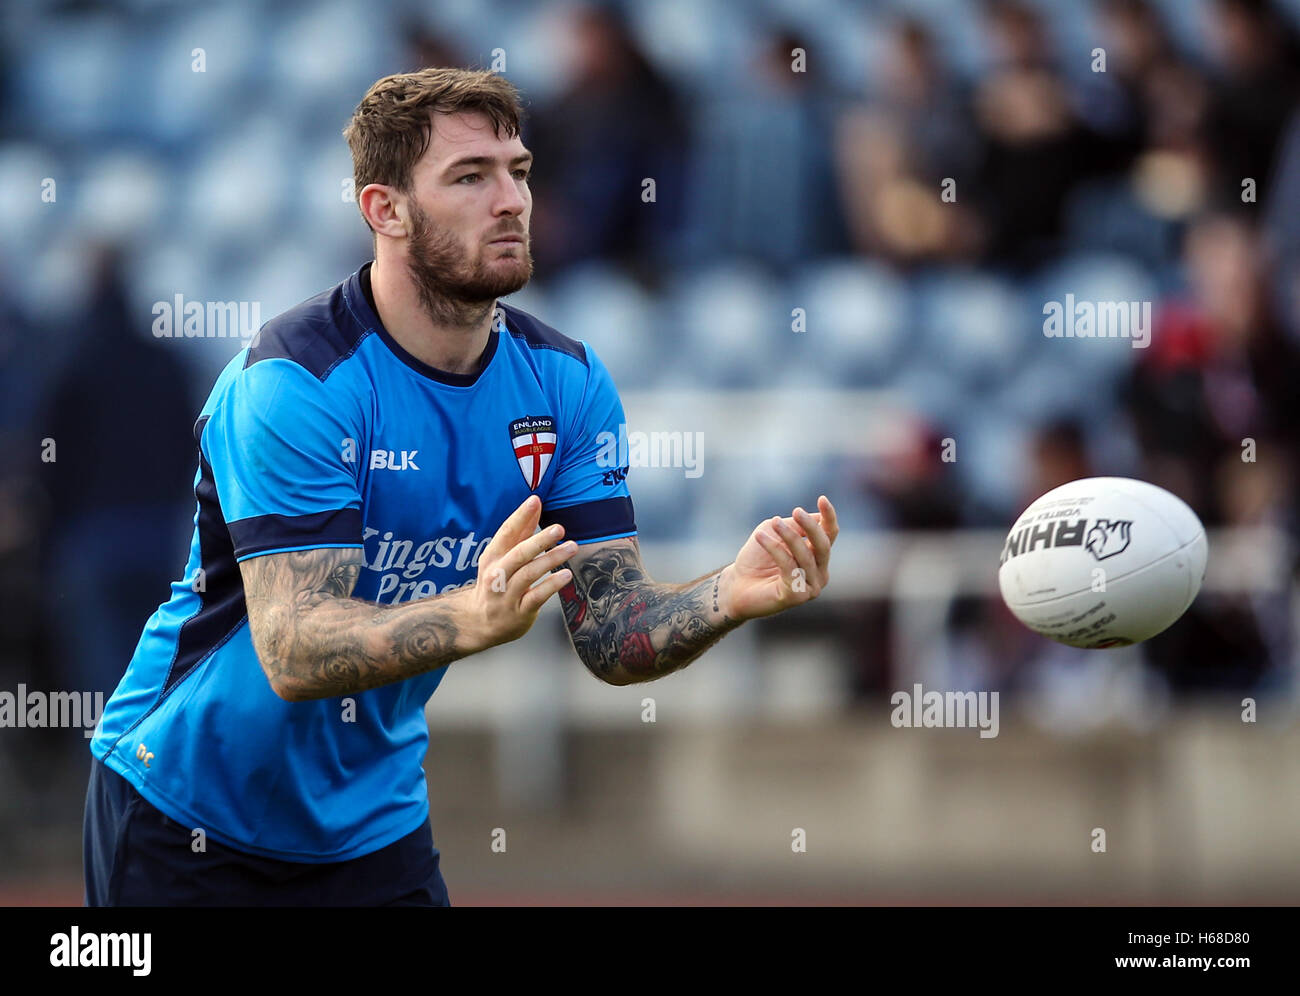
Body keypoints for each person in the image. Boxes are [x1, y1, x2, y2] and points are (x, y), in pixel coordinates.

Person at [82, 67, 838, 907]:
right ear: (386, 210)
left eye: (518, 171)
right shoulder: (295, 381)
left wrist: (729, 594)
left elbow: (614, 635)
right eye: (470, 177)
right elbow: (294, 650)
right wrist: (468, 617)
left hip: (373, 827)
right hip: (186, 815)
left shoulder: (567, 384)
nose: (511, 199)